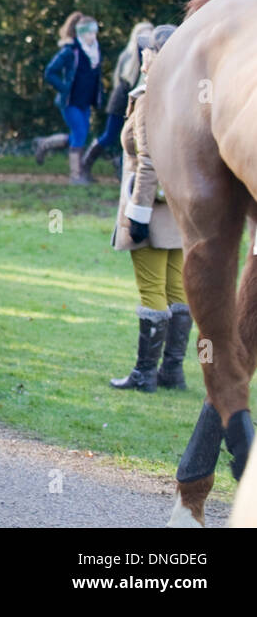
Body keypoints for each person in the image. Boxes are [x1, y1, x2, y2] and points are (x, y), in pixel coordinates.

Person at [109, 24, 191, 392]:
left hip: (150, 209)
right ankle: (172, 371)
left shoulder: (149, 97)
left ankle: (144, 374)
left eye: (147, 51)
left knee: (153, 291)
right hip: (179, 211)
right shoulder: (188, 94)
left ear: (158, 56)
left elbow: (148, 161)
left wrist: (137, 216)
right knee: (177, 290)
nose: (142, 56)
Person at [38, 12, 104, 184]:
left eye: (94, 33)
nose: (93, 36)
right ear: (81, 33)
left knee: (79, 135)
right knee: (80, 133)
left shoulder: (95, 51)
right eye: (89, 33)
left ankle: (45, 144)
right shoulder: (70, 51)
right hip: (70, 102)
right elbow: (50, 72)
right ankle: (76, 176)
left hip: (86, 101)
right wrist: (64, 87)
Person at [83, 20, 152, 177]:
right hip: (120, 101)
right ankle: (85, 163)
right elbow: (124, 80)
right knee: (110, 136)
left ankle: (122, 169)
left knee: (132, 138)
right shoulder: (129, 56)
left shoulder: (148, 56)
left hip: (136, 101)